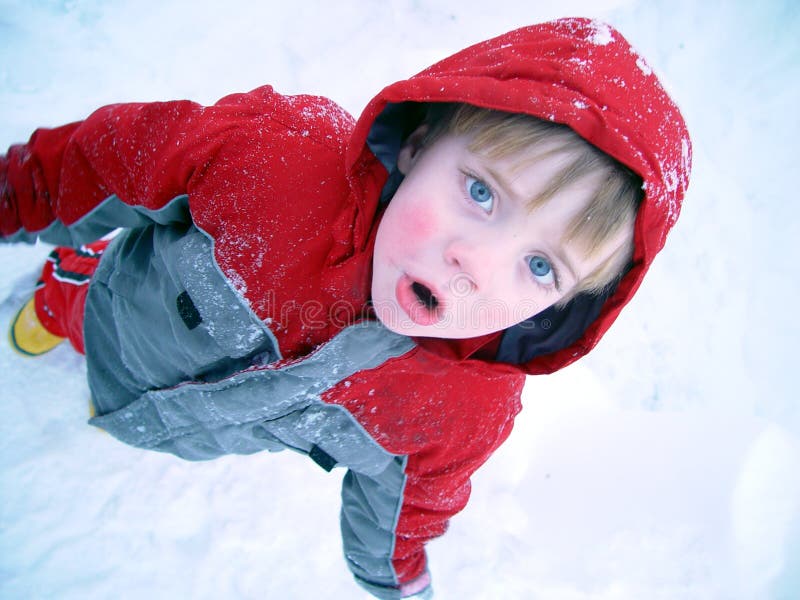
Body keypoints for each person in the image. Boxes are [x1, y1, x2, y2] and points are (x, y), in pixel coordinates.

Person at [0, 18, 691, 599]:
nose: (475, 266)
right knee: (77, 309)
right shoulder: (273, 161)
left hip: (196, 430)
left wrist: (397, 583)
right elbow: (99, 164)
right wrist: (14, 198)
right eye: (481, 192)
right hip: (123, 311)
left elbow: (404, 510)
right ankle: (65, 283)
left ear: (567, 306)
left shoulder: (462, 414)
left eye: (541, 266)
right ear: (417, 147)